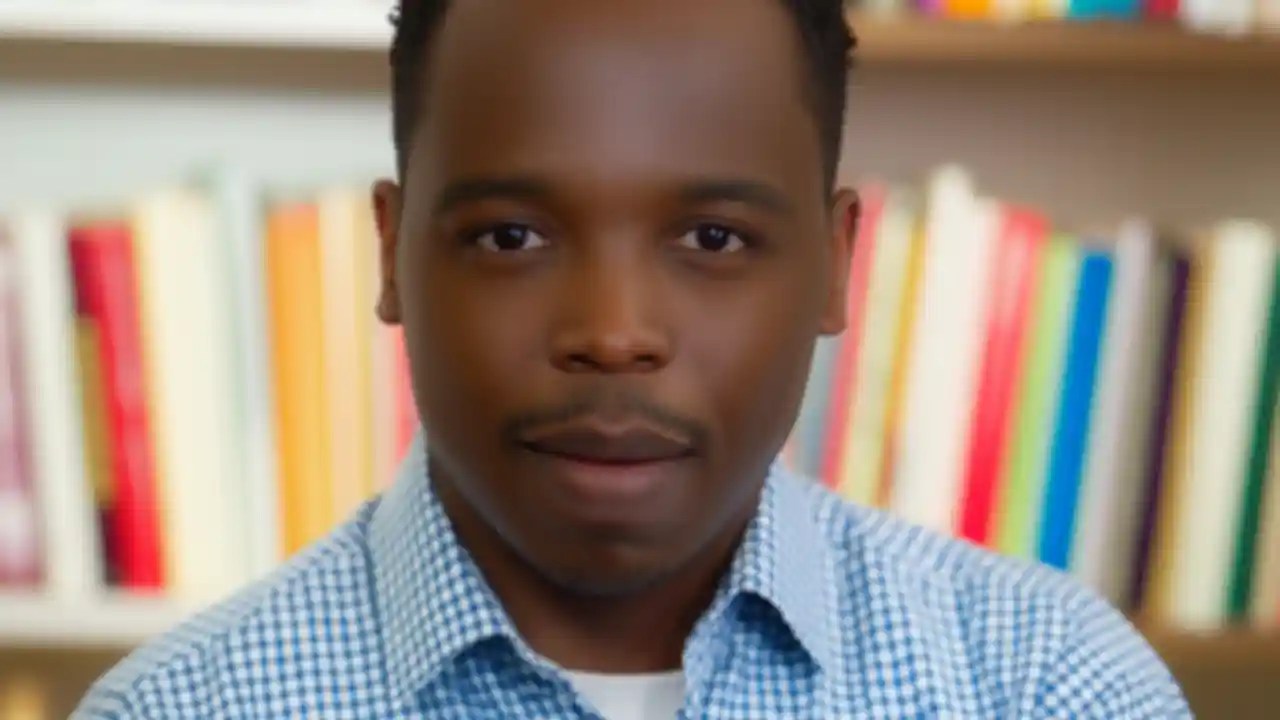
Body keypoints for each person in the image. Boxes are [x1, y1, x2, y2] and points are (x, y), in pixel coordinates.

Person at [77, 0, 1190, 717]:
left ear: (831, 266)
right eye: (510, 236)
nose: (612, 331)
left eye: (712, 239)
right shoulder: (181, 707)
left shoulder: (1050, 686)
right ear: (392, 254)